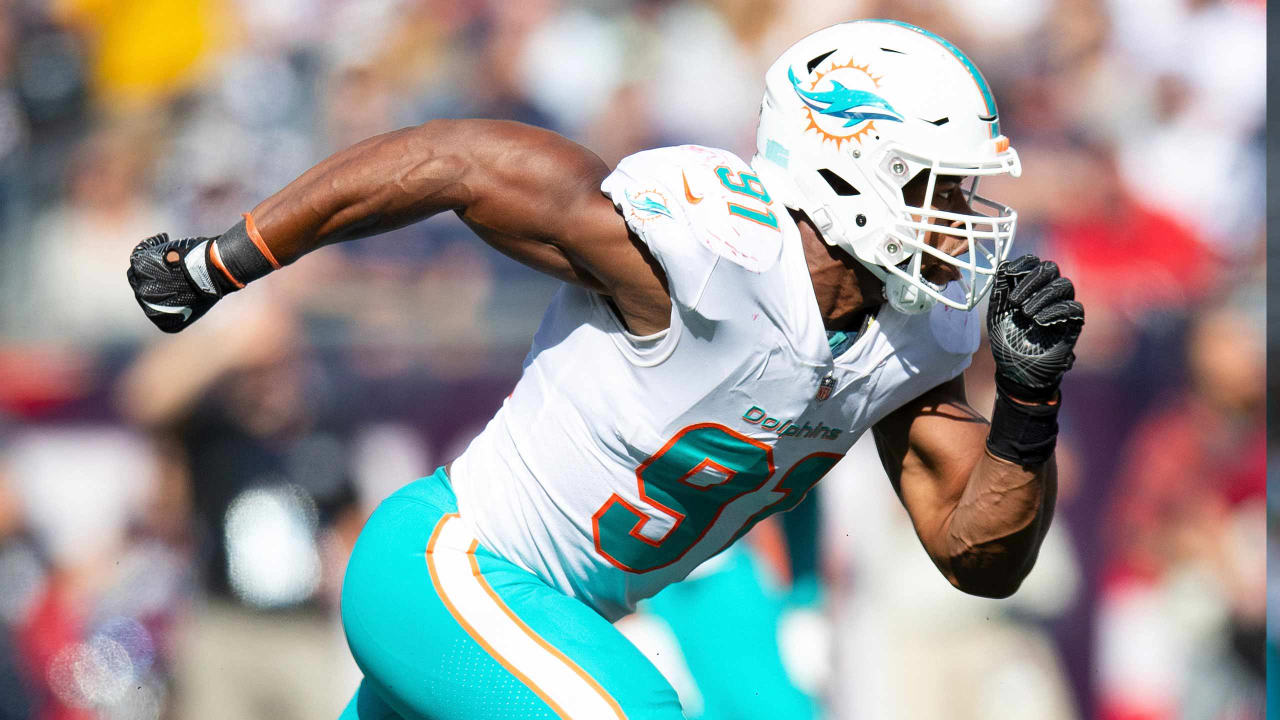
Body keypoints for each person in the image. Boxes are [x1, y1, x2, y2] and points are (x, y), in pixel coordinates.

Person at [125, 19, 1083, 720]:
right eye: (937, 184)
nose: (963, 214)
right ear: (846, 166)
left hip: (545, 627)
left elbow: (979, 556)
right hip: (451, 567)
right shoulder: (712, 250)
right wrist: (222, 260)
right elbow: (453, 159)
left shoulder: (919, 333)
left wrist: (1030, 404)